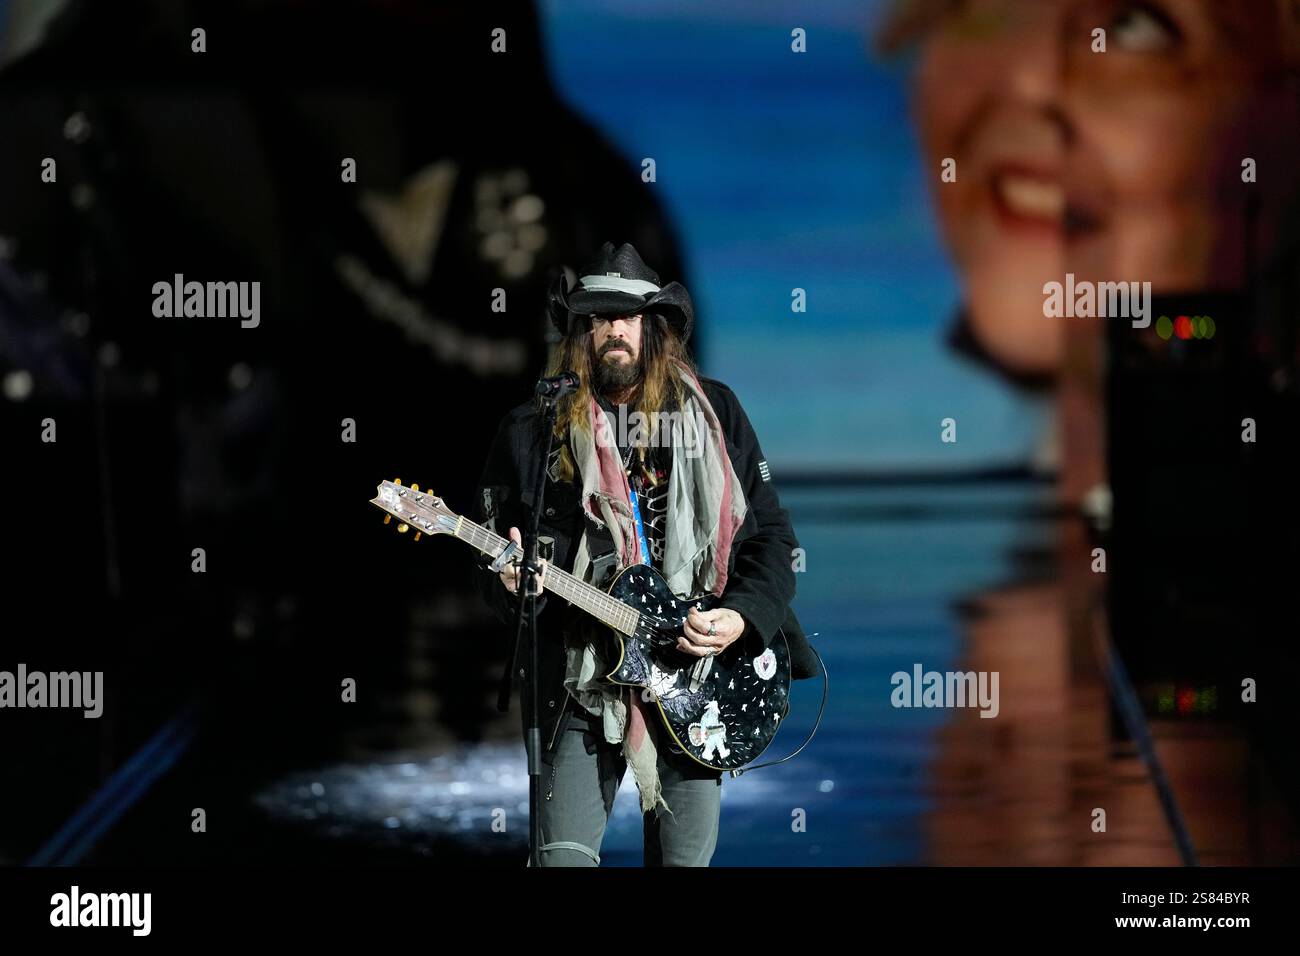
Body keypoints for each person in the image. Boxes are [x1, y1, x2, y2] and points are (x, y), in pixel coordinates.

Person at [471, 241, 818, 866]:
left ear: (653, 329)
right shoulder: (531, 431)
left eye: (627, 317)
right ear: (579, 332)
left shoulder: (716, 415)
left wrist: (739, 615)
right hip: (579, 680)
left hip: (695, 679)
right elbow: (493, 569)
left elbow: (771, 539)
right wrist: (507, 584)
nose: (613, 331)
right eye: (598, 318)